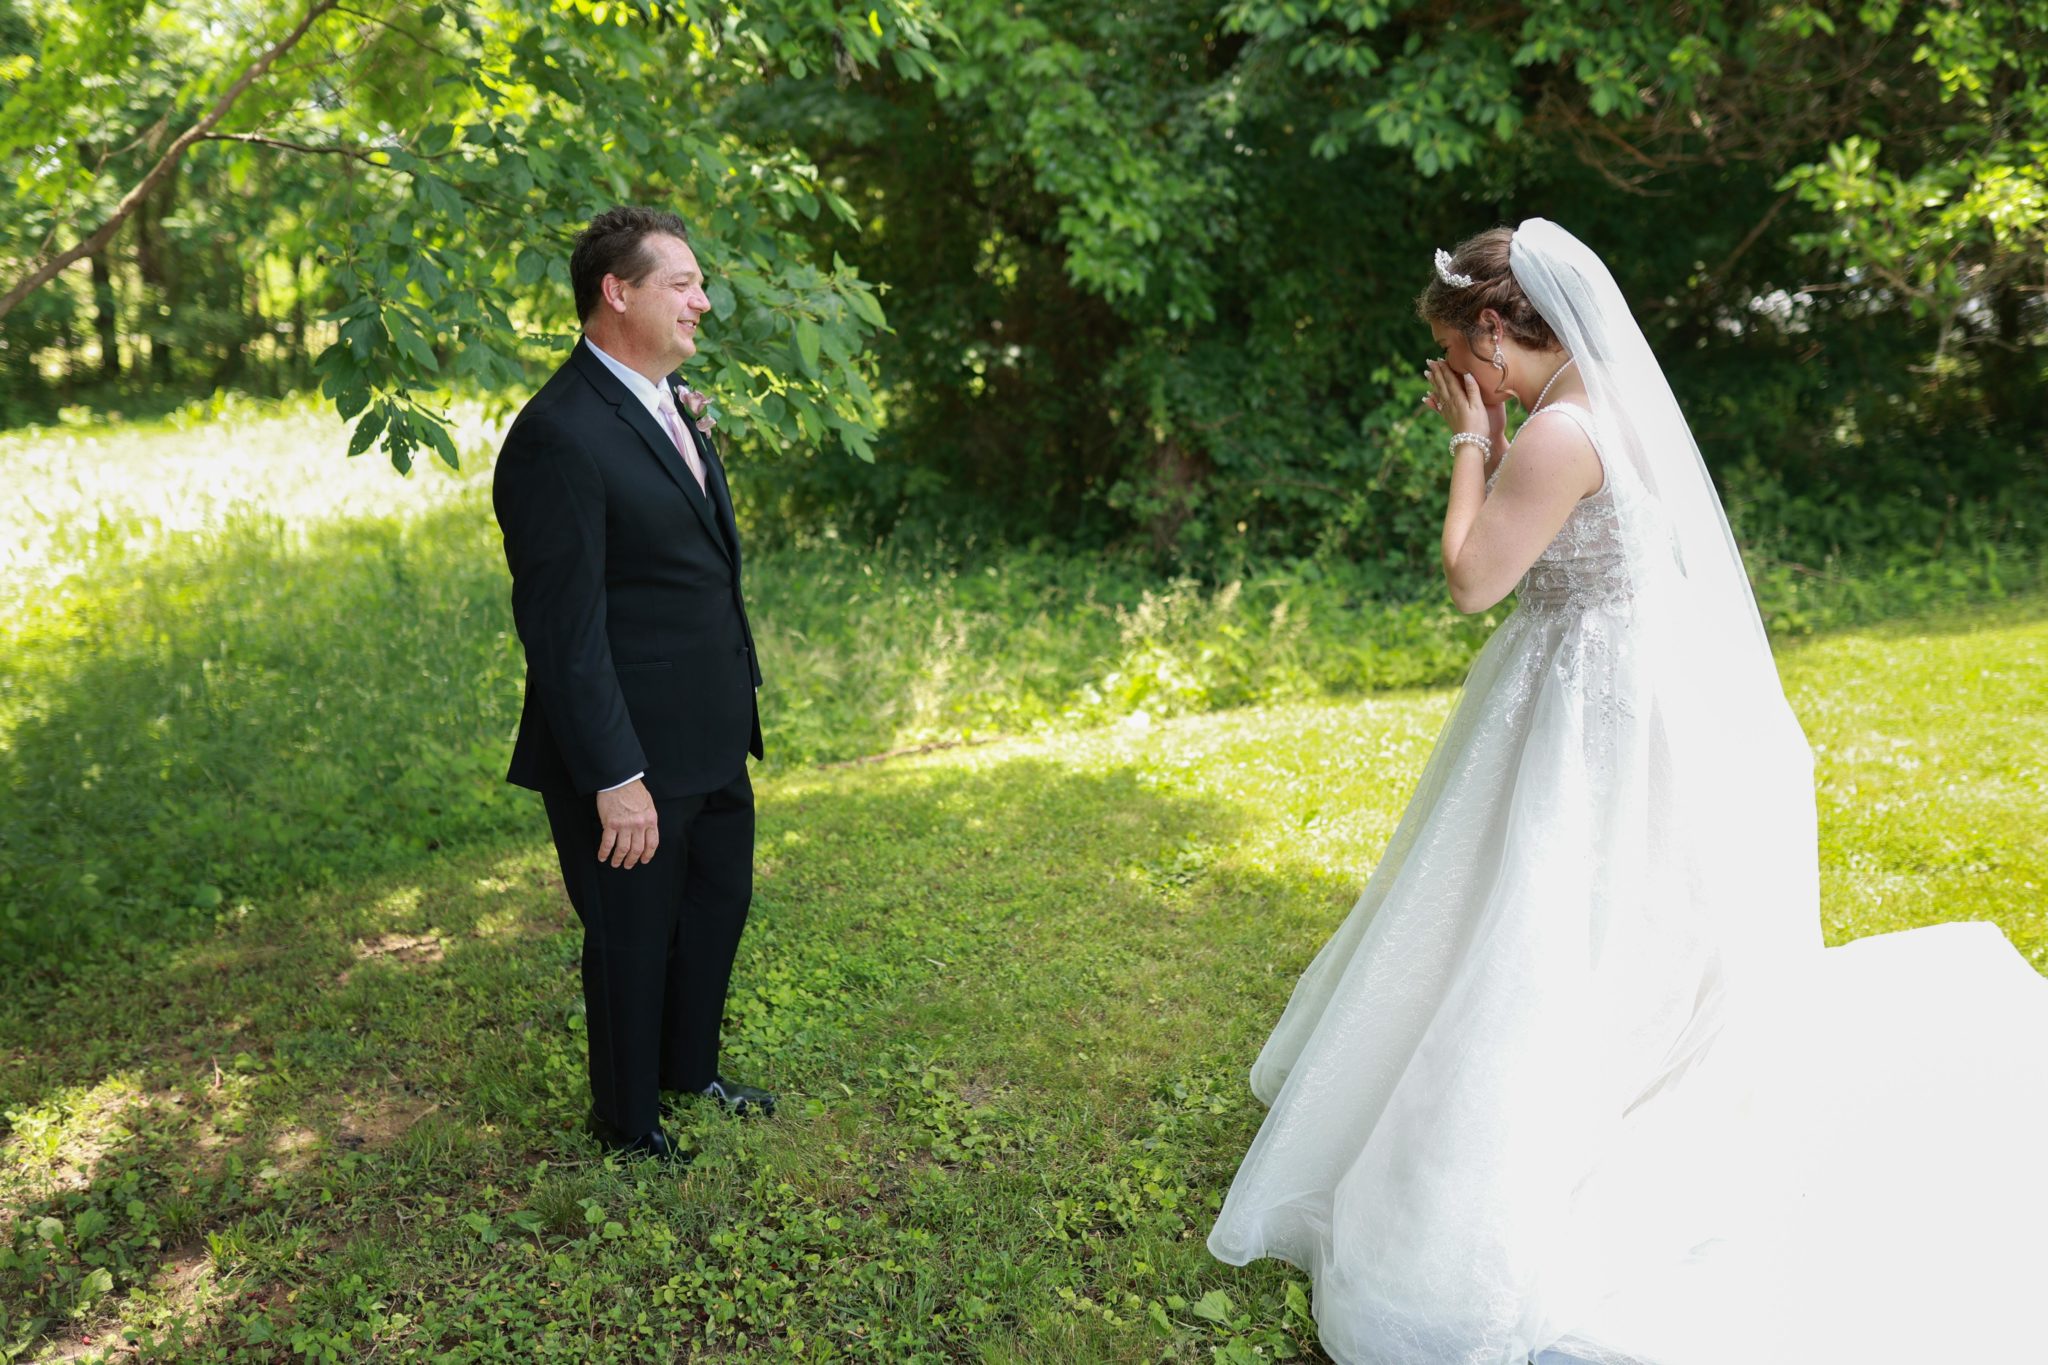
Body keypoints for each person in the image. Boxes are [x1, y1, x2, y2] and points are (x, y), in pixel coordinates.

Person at [1206, 219, 2048, 1364]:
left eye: (1460, 350)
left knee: (1547, 917)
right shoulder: (1599, 403)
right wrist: (1498, 428)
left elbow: (1472, 579)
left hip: (1579, 704)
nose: (1456, 374)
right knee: (1571, 910)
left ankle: (1536, 1144)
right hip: (1610, 683)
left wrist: (1468, 442)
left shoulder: (1557, 432)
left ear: (1496, 328)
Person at [492, 205, 775, 1164]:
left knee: (712, 912)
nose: (703, 300)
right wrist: (615, 773)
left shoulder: (668, 397)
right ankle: (626, 1120)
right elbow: (563, 630)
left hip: (710, 733)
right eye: (682, 283)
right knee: (631, 936)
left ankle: (689, 1069)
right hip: (628, 754)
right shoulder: (558, 435)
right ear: (618, 293)